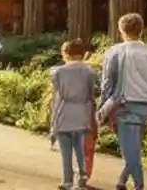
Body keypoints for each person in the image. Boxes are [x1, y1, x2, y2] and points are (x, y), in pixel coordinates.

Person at [99, 13, 147, 190]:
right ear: (141, 30)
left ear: (121, 30)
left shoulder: (115, 52)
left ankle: (139, 185)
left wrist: (103, 108)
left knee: (130, 152)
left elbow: (107, 83)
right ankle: (121, 181)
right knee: (133, 147)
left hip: (124, 105)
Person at [49, 39, 98, 189]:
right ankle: (82, 177)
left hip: (63, 113)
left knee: (66, 151)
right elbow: (92, 95)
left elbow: (56, 98)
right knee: (80, 150)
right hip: (82, 114)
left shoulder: (58, 72)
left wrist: (53, 124)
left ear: (65, 54)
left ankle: (67, 180)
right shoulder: (89, 72)